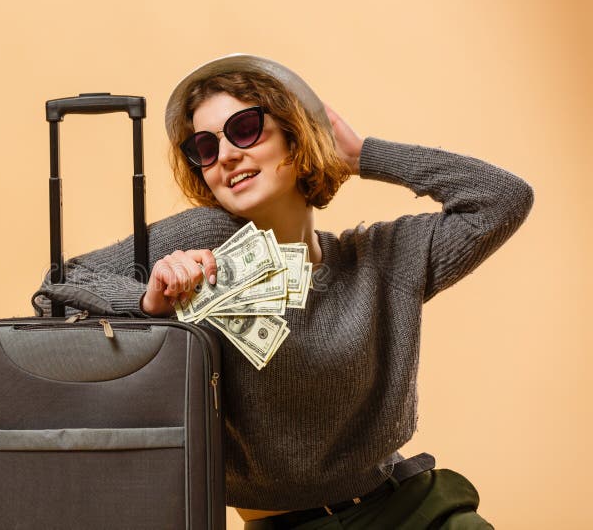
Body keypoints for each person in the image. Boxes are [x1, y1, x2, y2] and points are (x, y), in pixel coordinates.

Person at [35, 54, 534, 528]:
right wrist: (146, 304)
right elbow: (56, 289)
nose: (226, 155)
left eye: (244, 129)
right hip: (287, 525)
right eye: (205, 147)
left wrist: (363, 155)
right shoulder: (204, 240)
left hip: (409, 508)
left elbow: (503, 199)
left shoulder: (381, 260)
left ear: (295, 138)